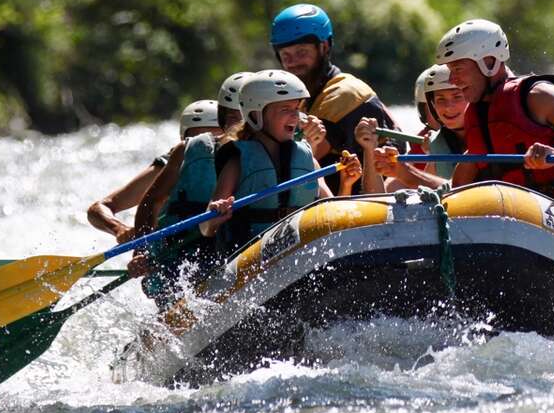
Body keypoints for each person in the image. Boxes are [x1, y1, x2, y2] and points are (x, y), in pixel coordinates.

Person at [435, 19, 554, 223]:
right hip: (514, 214)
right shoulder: (474, 115)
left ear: (489, 62)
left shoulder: (538, 96)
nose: (452, 80)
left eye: (458, 69)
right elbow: (461, 183)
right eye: (450, 70)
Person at [122, 73, 252, 308]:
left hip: (242, 251)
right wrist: (139, 253)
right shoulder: (188, 151)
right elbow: (150, 203)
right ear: (222, 118)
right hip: (187, 256)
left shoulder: (281, 152)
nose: (241, 124)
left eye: (247, 117)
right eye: (234, 116)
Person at [199, 70, 362, 249]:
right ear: (256, 115)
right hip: (250, 254)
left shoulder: (308, 160)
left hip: (300, 252)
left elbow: (334, 213)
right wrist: (216, 213)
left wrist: (346, 184)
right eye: (285, 109)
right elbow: (205, 228)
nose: (295, 116)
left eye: (296, 109)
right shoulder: (238, 162)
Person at [270, 3, 398, 191]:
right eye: (286, 56)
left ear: (324, 46)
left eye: (301, 52)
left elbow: (304, 156)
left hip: (369, 202)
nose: (294, 63)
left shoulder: (346, 93)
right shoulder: (305, 94)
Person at [87, 97, 237, 240]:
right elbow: (99, 208)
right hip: (175, 249)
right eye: (196, 138)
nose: (204, 146)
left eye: (212, 136)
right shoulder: (167, 166)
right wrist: (119, 229)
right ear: (183, 139)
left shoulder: (238, 158)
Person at [358, 64, 468, 191]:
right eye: (440, 99)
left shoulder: (486, 132)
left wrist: (405, 173)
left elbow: (465, 190)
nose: (449, 107)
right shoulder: (438, 143)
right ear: (432, 106)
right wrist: (370, 149)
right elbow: (382, 196)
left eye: (457, 97)